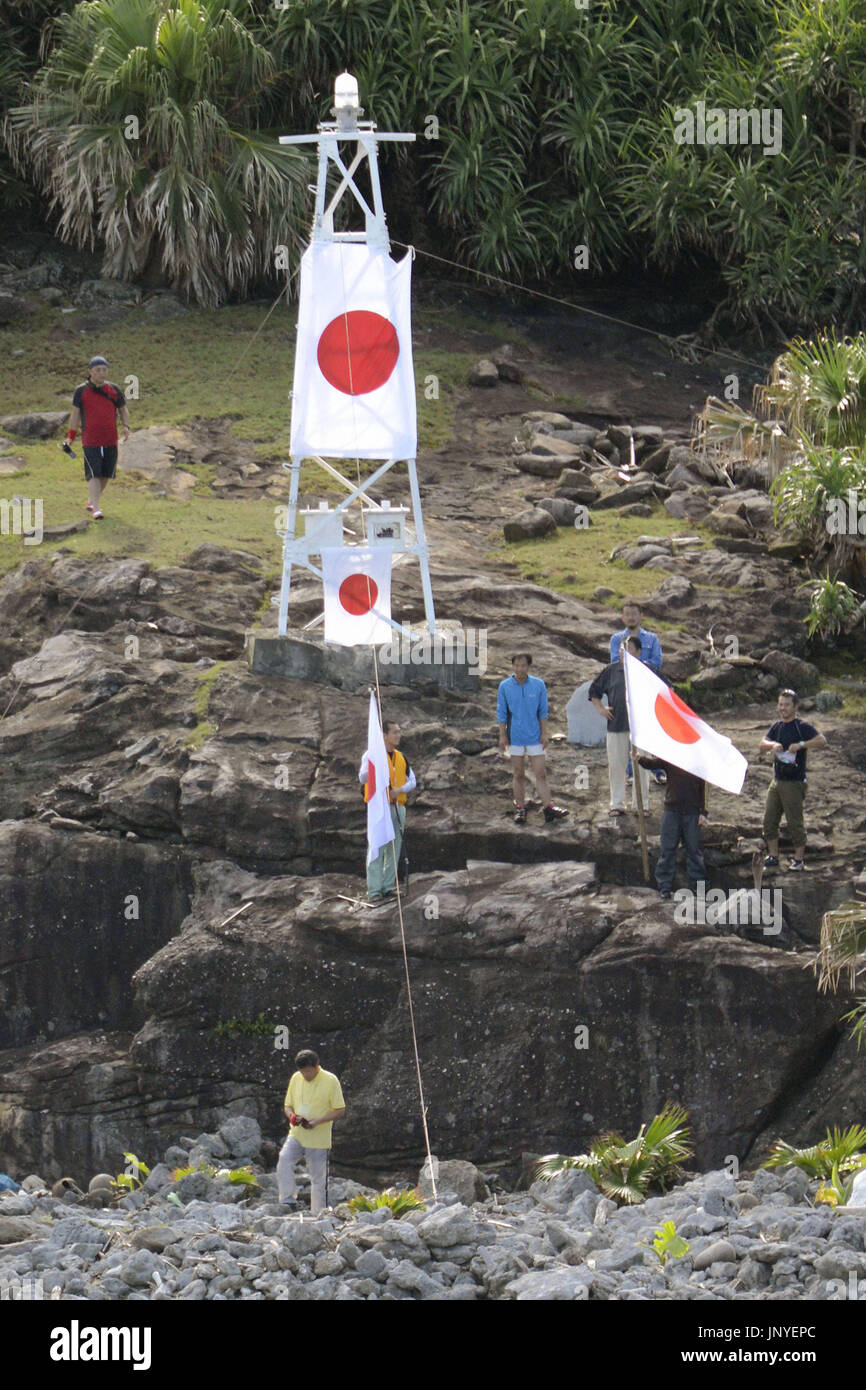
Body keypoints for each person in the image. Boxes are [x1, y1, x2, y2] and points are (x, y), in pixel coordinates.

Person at [497, 653, 568, 824]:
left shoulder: (538, 685)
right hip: (515, 737)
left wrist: (545, 733)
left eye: (523, 665)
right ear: (513, 666)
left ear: (529, 666)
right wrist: (502, 735)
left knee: (540, 773)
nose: (519, 669)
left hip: (535, 736)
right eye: (516, 665)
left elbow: (543, 711)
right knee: (518, 773)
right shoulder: (505, 686)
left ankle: (548, 807)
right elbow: (502, 713)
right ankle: (520, 808)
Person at [759, 689, 826, 871]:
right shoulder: (777, 727)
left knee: (794, 821)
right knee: (769, 820)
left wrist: (802, 745)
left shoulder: (801, 726)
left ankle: (798, 860)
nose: (783, 708)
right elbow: (762, 743)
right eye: (780, 704)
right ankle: (773, 855)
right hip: (777, 780)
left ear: (795, 706)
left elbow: (822, 740)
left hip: (794, 782)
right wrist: (773, 745)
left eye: (787, 705)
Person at [277, 1049, 346, 1215]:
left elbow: (340, 1110)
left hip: (319, 1138)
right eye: (302, 1072)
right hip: (297, 1133)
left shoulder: (330, 1080)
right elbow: (288, 1106)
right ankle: (287, 1200)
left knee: (318, 1178)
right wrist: (292, 1117)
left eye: (308, 1071)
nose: (305, 1075)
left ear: (317, 1066)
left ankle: (319, 1213)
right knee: (284, 1160)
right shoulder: (296, 1078)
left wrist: (317, 1121)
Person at [589, 635, 650, 816]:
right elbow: (594, 691)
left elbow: (666, 691)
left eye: (629, 649)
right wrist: (600, 708)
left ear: (638, 652)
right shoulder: (611, 671)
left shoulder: (647, 671)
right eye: (622, 650)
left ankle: (641, 805)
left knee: (642, 768)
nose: (625, 653)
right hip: (616, 725)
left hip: (641, 729)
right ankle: (617, 804)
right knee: (617, 766)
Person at [63, 355, 130, 520]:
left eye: (104, 370)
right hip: (90, 439)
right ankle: (96, 508)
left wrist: (126, 426)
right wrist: (70, 437)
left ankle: (92, 501)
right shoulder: (81, 391)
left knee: (107, 473)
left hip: (110, 438)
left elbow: (123, 409)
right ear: (90, 372)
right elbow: (75, 414)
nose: (102, 373)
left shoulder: (113, 389)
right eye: (98, 370)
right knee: (93, 472)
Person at [637, 753, 708, 899]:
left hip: (692, 812)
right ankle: (664, 888)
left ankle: (700, 888)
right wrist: (639, 758)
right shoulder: (672, 756)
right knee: (667, 850)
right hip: (671, 810)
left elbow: (704, 790)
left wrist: (703, 812)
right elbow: (652, 764)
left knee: (694, 851)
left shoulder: (700, 762)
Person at [359, 719, 416, 901]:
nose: (398, 735)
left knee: (394, 848)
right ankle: (374, 890)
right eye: (395, 732)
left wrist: (398, 790)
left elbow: (412, 781)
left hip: (397, 807)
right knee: (377, 846)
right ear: (385, 735)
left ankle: (388, 886)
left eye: (399, 732)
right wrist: (376, 768)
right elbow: (362, 778)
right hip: (379, 808)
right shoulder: (371, 755)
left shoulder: (401, 757)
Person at [610, 599, 665, 785]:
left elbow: (657, 663)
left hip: (648, 690)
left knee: (653, 729)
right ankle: (631, 770)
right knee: (629, 730)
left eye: (635, 614)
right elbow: (614, 663)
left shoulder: (652, 639)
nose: (631, 618)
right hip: (625, 690)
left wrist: (637, 665)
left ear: (641, 616)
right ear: (622, 617)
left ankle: (658, 770)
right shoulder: (617, 639)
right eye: (627, 614)